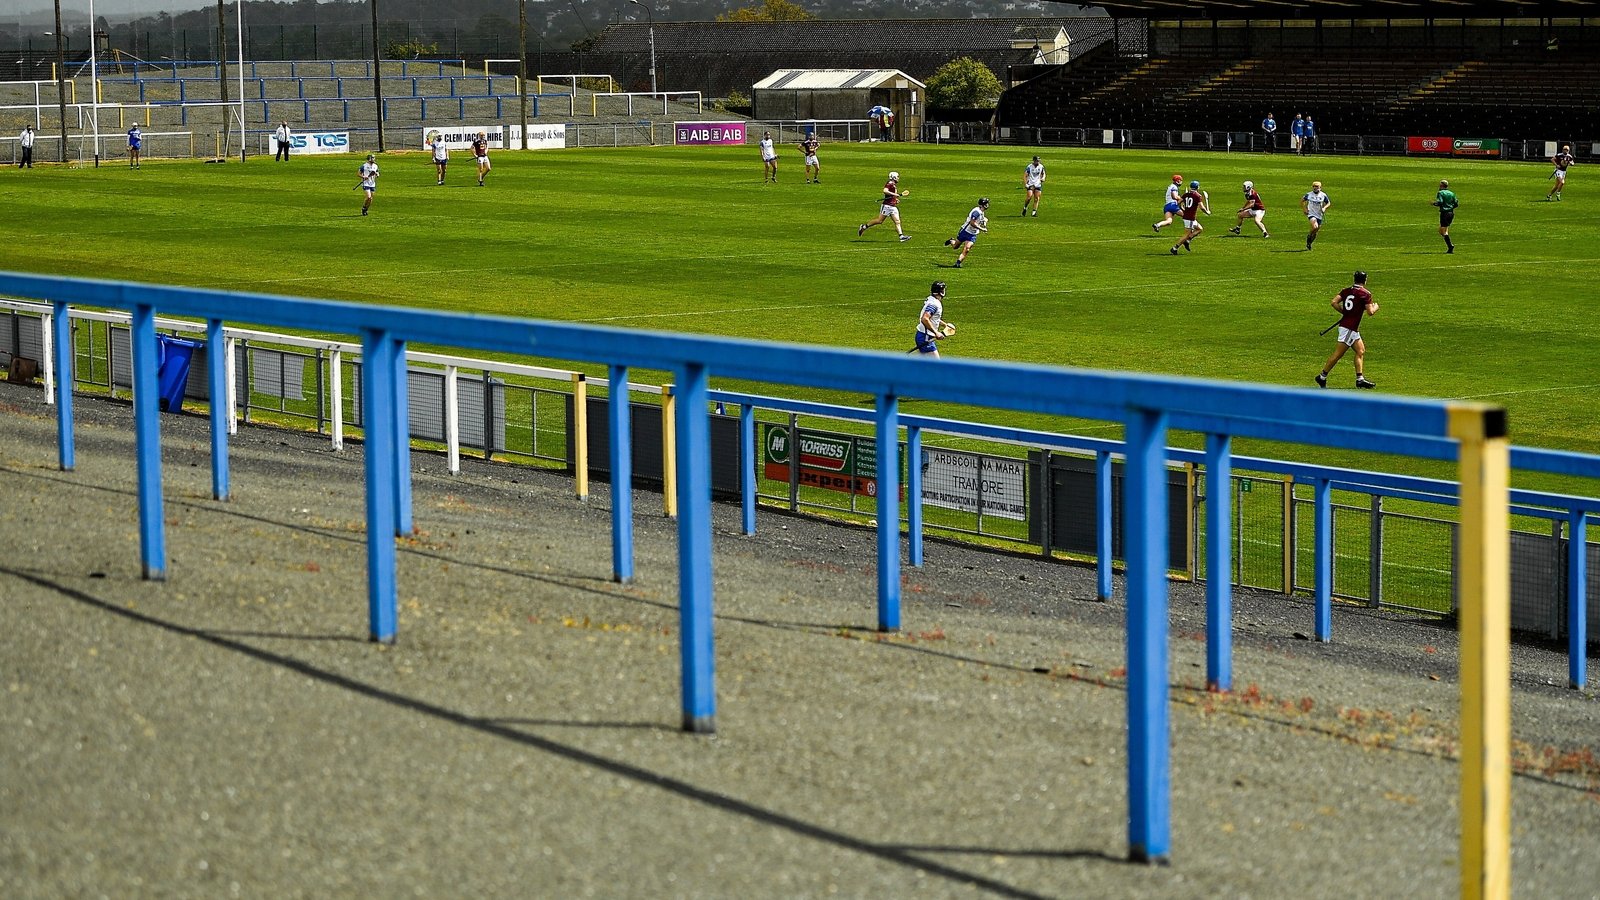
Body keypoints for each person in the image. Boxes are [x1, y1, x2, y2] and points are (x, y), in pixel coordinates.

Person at [1315, 271, 1379, 390]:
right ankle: (1322, 376)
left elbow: (1334, 302)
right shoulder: (1365, 294)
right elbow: (1370, 312)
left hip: (1351, 328)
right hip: (1349, 328)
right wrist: (1375, 307)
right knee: (1338, 354)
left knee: (1360, 351)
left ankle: (1360, 379)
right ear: (1365, 280)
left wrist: (1344, 312)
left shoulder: (1346, 291)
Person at [857, 170, 911, 242]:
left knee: (897, 221)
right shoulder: (890, 183)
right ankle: (864, 227)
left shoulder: (894, 184)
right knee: (879, 221)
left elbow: (891, 195)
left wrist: (895, 199)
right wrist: (895, 195)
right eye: (897, 176)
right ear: (893, 177)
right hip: (887, 206)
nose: (898, 178)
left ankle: (901, 236)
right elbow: (885, 191)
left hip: (893, 206)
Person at [943, 197, 990, 267]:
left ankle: (958, 263)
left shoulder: (981, 212)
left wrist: (984, 222)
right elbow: (972, 223)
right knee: (955, 246)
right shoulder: (976, 212)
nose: (988, 205)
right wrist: (982, 229)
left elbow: (982, 219)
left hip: (973, 234)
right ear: (982, 205)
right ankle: (951, 241)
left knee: (967, 248)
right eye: (986, 203)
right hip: (965, 231)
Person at [911, 281, 951, 358]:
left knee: (923, 365)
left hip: (923, 336)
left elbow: (933, 318)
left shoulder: (931, 300)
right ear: (941, 292)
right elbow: (925, 319)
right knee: (936, 366)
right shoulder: (934, 304)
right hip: (926, 337)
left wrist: (944, 325)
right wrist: (936, 333)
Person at [1169, 179, 1210, 254]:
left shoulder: (1186, 194)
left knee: (1199, 229)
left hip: (1187, 216)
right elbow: (1201, 207)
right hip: (1190, 218)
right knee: (1186, 234)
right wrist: (1207, 212)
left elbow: (1178, 202)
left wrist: (1183, 208)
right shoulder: (1198, 196)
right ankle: (1175, 248)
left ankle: (1187, 240)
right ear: (1197, 187)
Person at [1301, 180, 1331, 250]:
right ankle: (1309, 236)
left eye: (1317, 186)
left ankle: (1309, 243)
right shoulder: (1309, 194)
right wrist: (1305, 209)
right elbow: (1302, 201)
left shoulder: (1323, 195)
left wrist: (1324, 208)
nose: (1315, 188)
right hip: (1311, 214)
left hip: (1319, 214)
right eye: (1314, 186)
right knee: (1315, 226)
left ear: (1320, 187)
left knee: (1316, 230)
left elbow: (1328, 203)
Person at [1432, 179, 1458, 254]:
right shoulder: (1452, 193)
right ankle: (1450, 245)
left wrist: (1434, 203)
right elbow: (1456, 203)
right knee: (1441, 230)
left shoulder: (1440, 193)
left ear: (1441, 185)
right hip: (1451, 213)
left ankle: (1450, 246)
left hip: (1444, 213)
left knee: (1443, 231)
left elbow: (1440, 202)